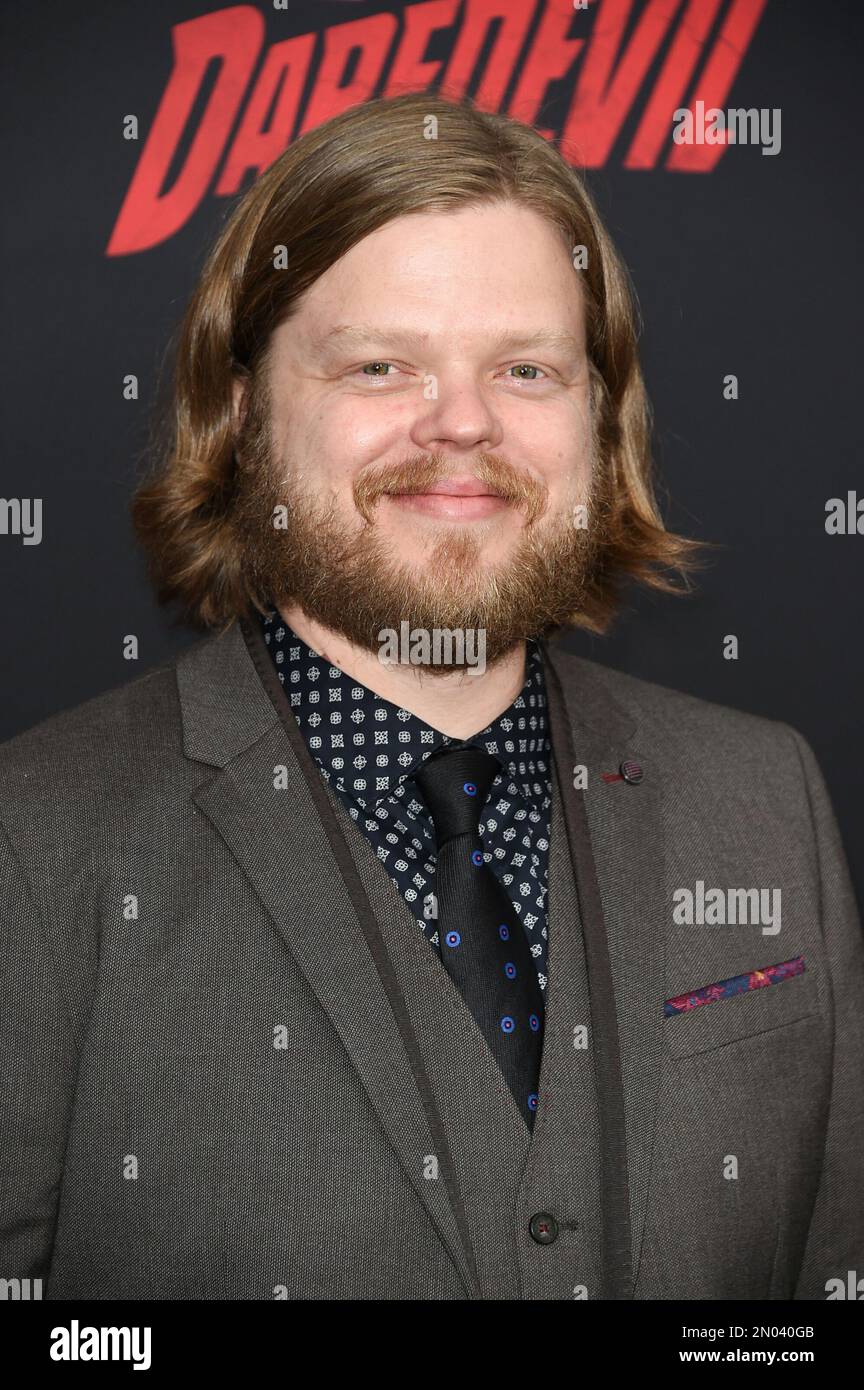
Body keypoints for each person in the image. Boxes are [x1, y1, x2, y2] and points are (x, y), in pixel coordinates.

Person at [1, 92, 861, 1301]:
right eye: (379, 365)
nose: (461, 423)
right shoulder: (31, 842)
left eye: (524, 367)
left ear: (600, 421)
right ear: (243, 414)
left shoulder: (764, 794)